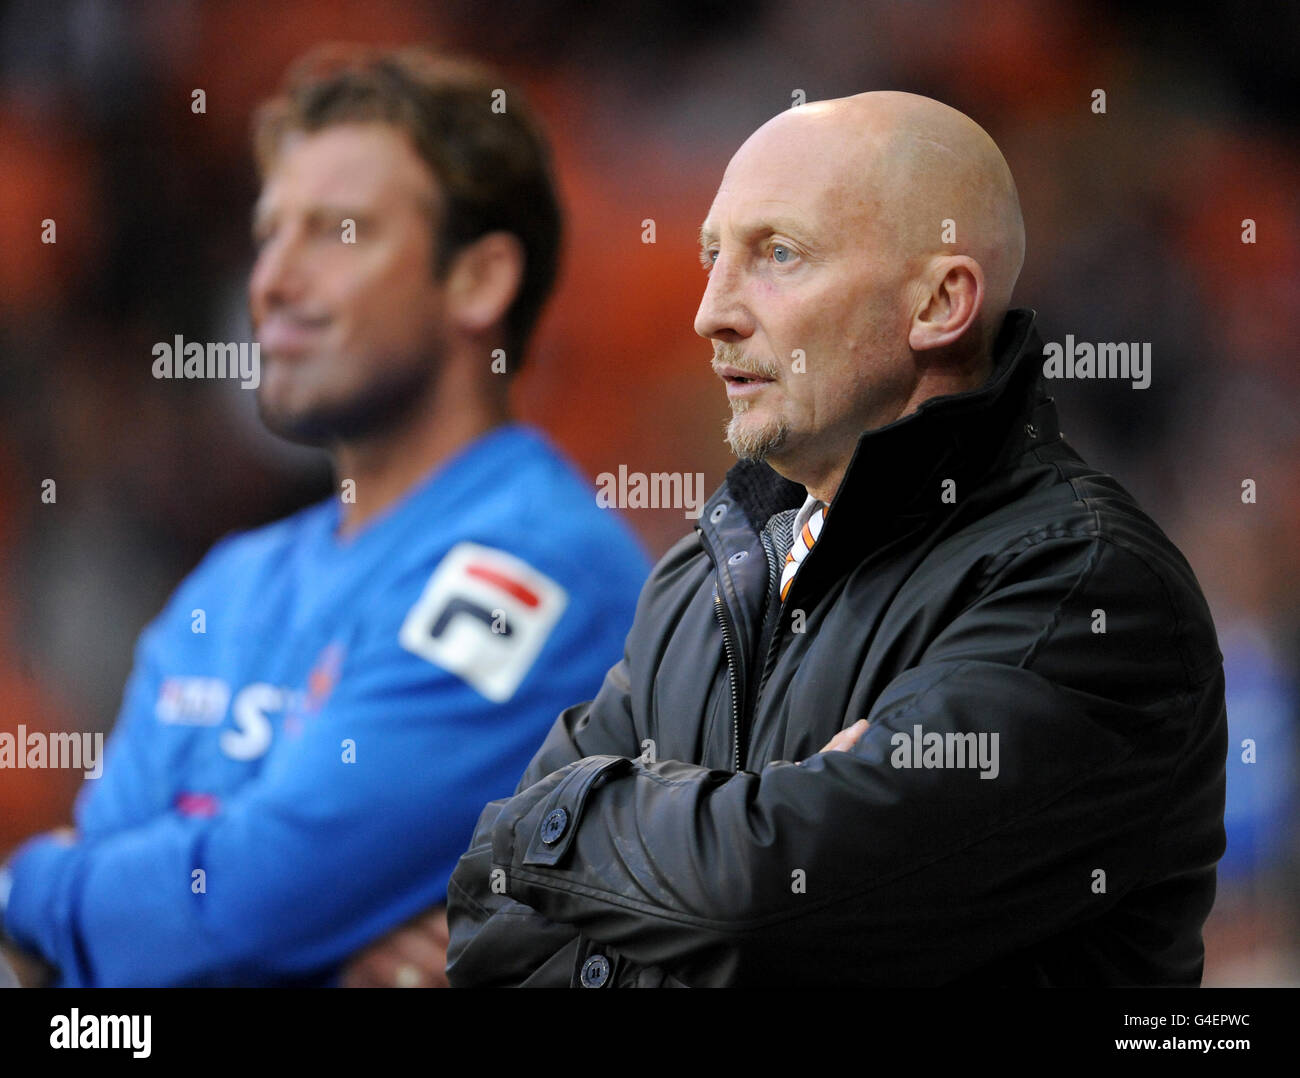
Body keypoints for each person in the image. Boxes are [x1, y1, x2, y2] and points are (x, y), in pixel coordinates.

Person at [443, 91, 1228, 987]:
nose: (711, 312)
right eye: (711, 257)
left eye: (777, 254)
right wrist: (726, 839)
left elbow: (768, 905)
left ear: (938, 303)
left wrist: (559, 826)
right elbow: (484, 922)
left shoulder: (1084, 585)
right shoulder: (704, 575)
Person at [0, 45, 649, 987]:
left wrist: (32, 888)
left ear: (479, 280)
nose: (272, 282)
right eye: (270, 234)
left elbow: (249, 902)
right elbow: (139, 953)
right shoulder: (231, 582)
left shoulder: (535, 570)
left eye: (337, 233)